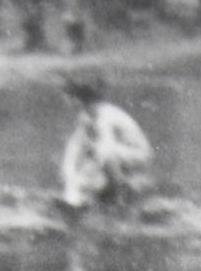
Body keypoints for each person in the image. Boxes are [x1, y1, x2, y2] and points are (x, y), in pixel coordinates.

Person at [57, 68, 153, 214]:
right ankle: (104, 191)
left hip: (138, 154)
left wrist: (85, 179)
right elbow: (74, 149)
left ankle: (119, 194)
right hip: (118, 154)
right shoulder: (86, 116)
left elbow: (105, 148)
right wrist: (70, 180)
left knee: (102, 153)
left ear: (77, 98)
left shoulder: (104, 115)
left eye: (68, 96)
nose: (66, 101)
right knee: (90, 157)